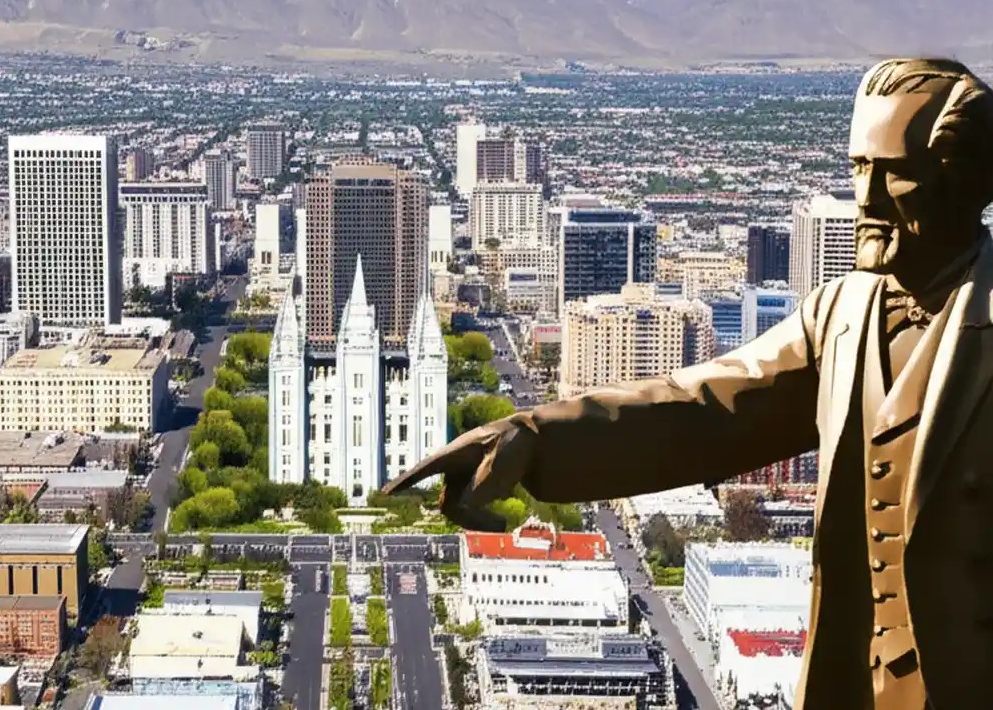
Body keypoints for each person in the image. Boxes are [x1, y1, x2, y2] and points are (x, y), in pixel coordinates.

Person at [383, 58, 993, 710]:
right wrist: (531, 439)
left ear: (965, 179)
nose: (865, 197)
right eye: (858, 167)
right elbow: (699, 412)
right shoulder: (842, 314)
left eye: (893, 170)